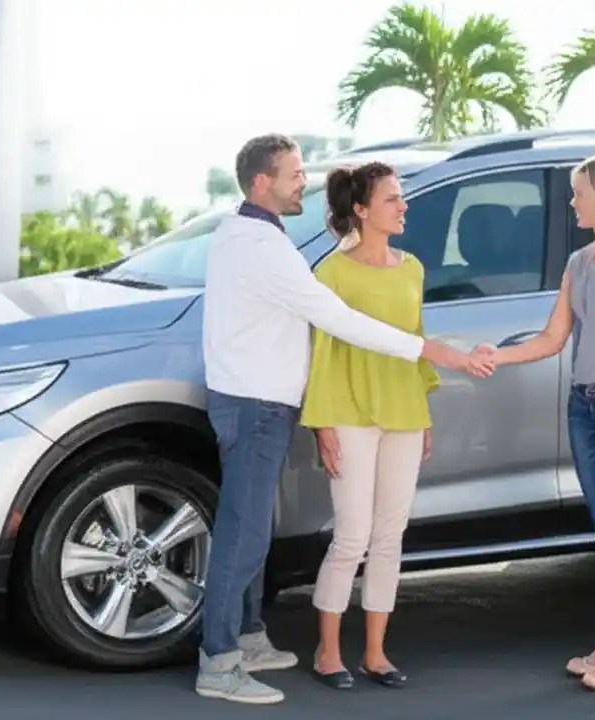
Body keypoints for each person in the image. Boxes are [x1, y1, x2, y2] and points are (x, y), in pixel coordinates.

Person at [196, 134, 495, 705]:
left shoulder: (253, 236)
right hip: (256, 404)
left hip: (260, 402)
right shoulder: (263, 247)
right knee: (243, 533)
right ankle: (219, 662)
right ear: (261, 182)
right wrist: (433, 352)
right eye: (293, 174)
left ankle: (248, 637)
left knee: (256, 529)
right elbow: (337, 320)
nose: (302, 183)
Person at [481, 154, 595, 692]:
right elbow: (552, 339)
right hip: (583, 405)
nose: (572, 202)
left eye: (579, 193)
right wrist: (496, 356)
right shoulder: (579, 262)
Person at [299, 161, 438, 691]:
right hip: (349, 413)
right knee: (352, 535)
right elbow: (322, 354)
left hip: (405, 412)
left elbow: (416, 340)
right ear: (360, 209)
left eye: (402, 198)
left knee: (389, 535)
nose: (404, 206)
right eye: (392, 199)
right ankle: (328, 651)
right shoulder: (331, 273)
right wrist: (322, 425)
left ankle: (376, 653)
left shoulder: (412, 268)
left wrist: (424, 414)